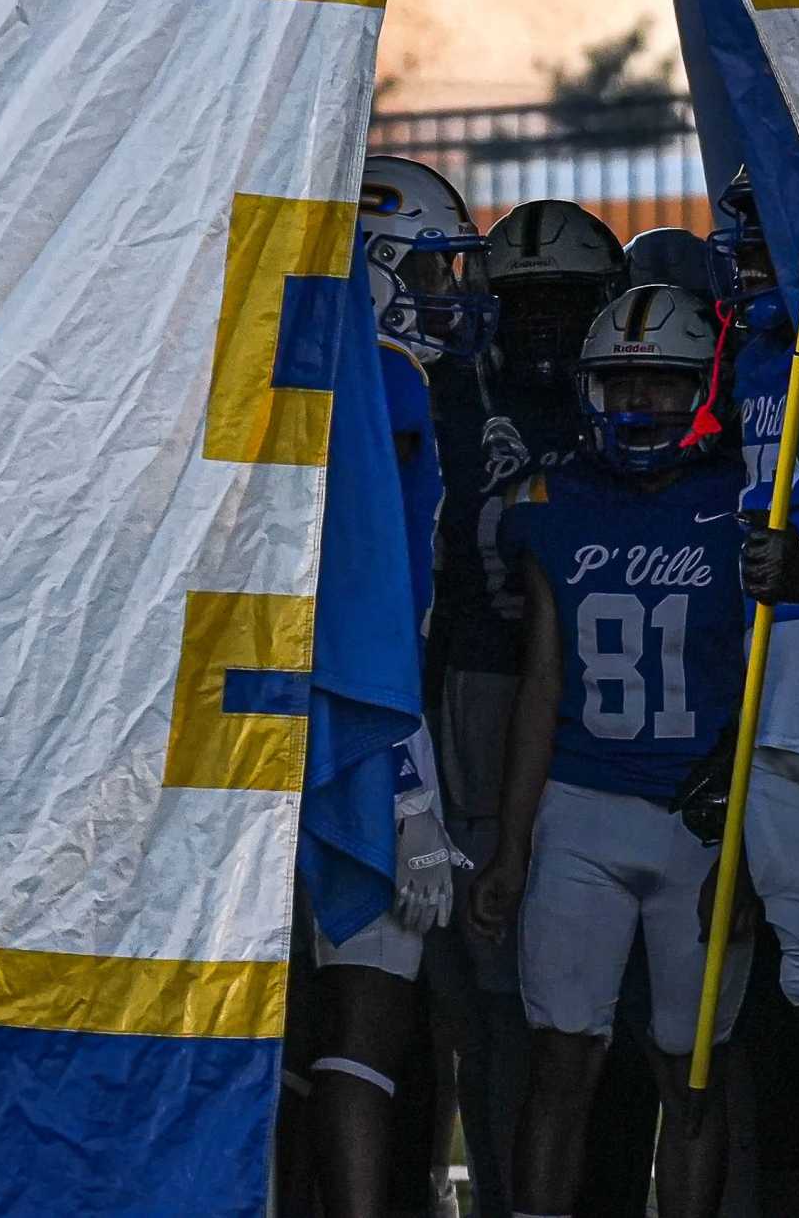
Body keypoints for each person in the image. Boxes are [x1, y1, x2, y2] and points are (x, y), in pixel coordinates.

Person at [469, 283, 756, 1218]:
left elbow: (772, 684)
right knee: (561, 1059)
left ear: (705, 389)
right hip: (581, 806)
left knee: (692, 1072)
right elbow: (542, 686)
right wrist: (511, 848)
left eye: (665, 385)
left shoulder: (739, 501)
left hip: (701, 818)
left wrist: (751, 843)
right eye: (621, 382)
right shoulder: (553, 501)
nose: (639, 406)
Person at [287, 154, 493, 1218]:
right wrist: (411, 799)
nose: (444, 297)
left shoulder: (295, 363)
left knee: (272, 1033)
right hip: (361, 735)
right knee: (367, 1024)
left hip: (259, 733)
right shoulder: (392, 387)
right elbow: (380, 608)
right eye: (427, 268)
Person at [425, 198, 628, 1218]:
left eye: (567, 304)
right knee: (494, 988)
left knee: (602, 999)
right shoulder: (450, 395)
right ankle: (511, 1196)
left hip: (607, 707)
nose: (545, 326)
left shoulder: (642, 399)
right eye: (525, 304)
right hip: (487, 684)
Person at [719, 172, 799, 1217]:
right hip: (766, 681)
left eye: (760, 227)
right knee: (791, 947)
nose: (741, 249)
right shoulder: (752, 351)